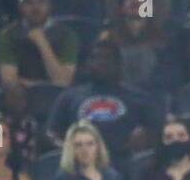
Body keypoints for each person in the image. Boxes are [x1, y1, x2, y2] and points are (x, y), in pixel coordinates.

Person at [45, 41, 157, 169]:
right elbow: (51, 133)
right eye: (96, 57)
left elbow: (156, 132)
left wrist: (146, 137)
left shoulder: (138, 97)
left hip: (124, 162)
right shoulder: (70, 97)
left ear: (118, 63)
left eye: (107, 58)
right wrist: (69, 149)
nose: (101, 62)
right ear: (88, 64)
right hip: (80, 163)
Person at [99, 0, 183, 92]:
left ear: (153, 7)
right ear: (121, 7)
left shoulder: (166, 42)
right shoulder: (108, 39)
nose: (136, 2)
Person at [0, 0, 78, 89]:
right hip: (21, 96)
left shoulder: (67, 35)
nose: (36, 8)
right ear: (20, 7)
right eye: (29, 3)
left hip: (56, 97)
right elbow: (9, 81)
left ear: (49, 5)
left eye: (40, 2)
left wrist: (42, 42)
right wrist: (41, 86)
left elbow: (62, 81)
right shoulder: (9, 35)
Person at [135, 115, 190, 180]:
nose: (176, 140)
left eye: (181, 135)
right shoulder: (149, 174)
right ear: (161, 141)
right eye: (169, 137)